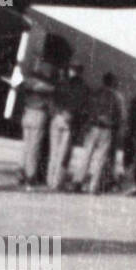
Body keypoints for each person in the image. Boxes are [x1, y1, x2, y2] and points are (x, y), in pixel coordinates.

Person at [71, 72, 122, 194]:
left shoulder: (95, 94)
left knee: (86, 155)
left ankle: (78, 181)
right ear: (113, 83)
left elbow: (86, 110)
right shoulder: (115, 97)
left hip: (93, 128)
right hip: (107, 130)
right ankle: (93, 186)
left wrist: (86, 125)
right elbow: (118, 116)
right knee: (100, 158)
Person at [47, 63, 87, 191]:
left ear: (70, 70)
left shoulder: (61, 83)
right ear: (80, 72)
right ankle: (57, 182)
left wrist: (56, 113)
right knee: (63, 154)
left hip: (57, 118)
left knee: (54, 151)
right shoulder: (84, 88)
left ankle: (49, 180)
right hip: (70, 121)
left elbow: (52, 99)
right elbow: (82, 107)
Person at [16, 63, 54, 188]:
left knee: (26, 146)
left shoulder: (28, 83)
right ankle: (30, 176)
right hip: (38, 115)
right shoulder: (45, 87)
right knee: (34, 147)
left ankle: (21, 171)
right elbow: (51, 92)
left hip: (27, 113)